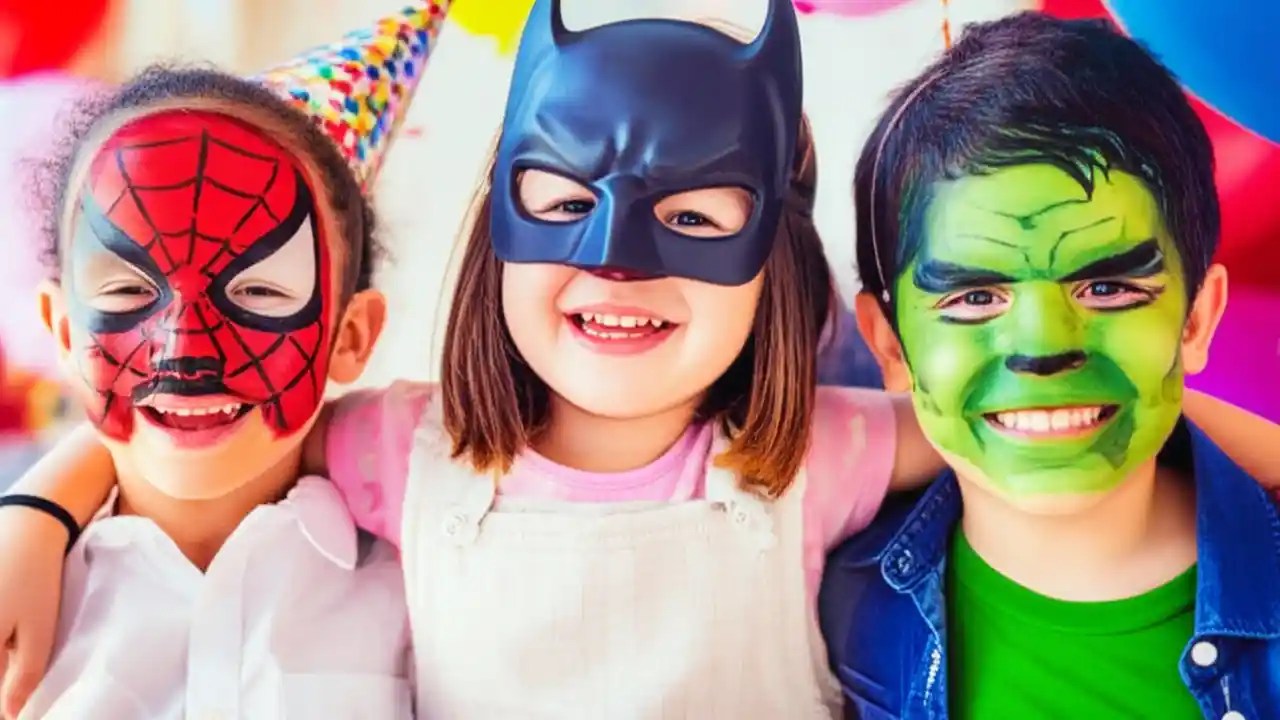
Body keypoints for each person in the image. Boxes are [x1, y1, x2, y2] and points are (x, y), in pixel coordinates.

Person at [0, 3, 1275, 719]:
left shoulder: (817, 453)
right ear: (493, 214)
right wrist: (39, 508)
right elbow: (206, 431)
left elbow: (1027, 390)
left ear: (773, 246)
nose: (617, 259)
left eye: (698, 216)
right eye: (560, 197)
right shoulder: (401, 449)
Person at [819, 13, 1280, 719]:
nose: (1042, 349)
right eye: (975, 297)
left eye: (1107, 287)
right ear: (889, 346)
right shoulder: (836, 610)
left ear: (1195, 319)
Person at [0, 4, 450, 718]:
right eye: (127, 290)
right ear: (60, 328)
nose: (185, 350)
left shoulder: (431, 582)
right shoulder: (24, 610)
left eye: (259, 290)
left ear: (351, 337)